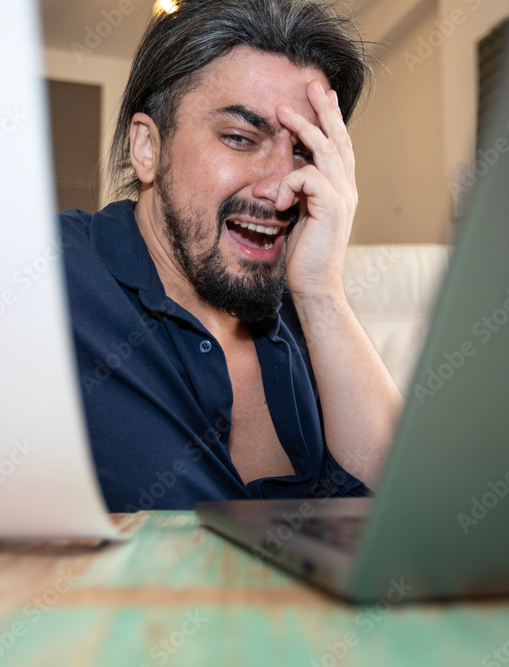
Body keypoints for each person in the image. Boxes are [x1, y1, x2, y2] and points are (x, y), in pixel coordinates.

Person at [60, 0, 402, 512]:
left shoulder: (306, 320)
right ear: (148, 148)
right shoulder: (46, 275)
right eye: (241, 138)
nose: (281, 189)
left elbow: (406, 512)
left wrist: (322, 292)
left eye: (304, 152)